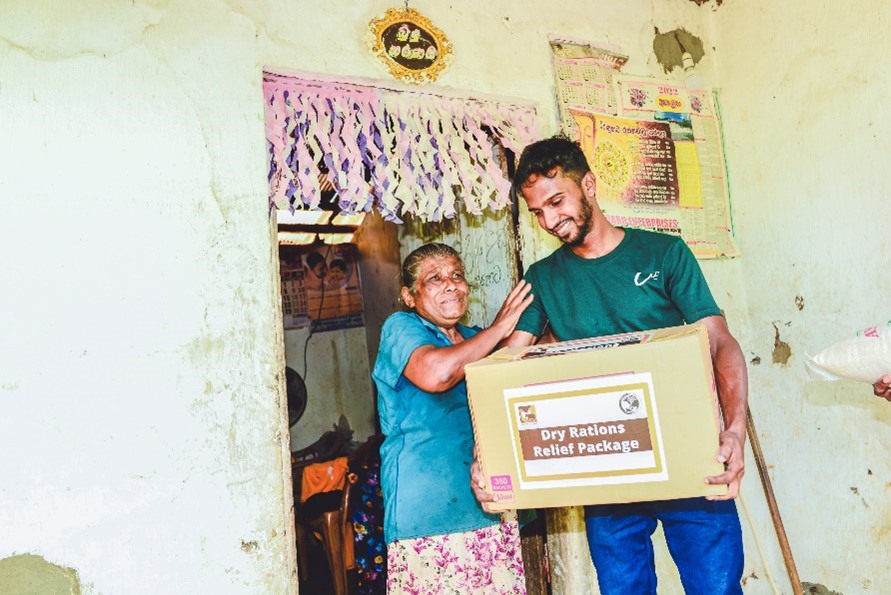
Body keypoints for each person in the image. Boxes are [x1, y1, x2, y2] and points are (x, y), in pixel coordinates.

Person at [475, 136, 749, 594]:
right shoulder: (542, 278)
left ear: (590, 183)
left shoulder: (663, 254)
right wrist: (487, 455)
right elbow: (507, 370)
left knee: (716, 588)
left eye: (557, 202)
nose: (550, 221)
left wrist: (735, 430)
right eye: (538, 211)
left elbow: (720, 342)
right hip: (609, 465)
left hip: (691, 450)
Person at [372, 242, 533, 594]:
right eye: (434, 278)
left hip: (487, 505)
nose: (450, 284)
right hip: (429, 512)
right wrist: (501, 327)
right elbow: (437, 373)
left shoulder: (475, 339)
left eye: (457, 275)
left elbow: (522, 362)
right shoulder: (400, 328)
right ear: (409, 296)